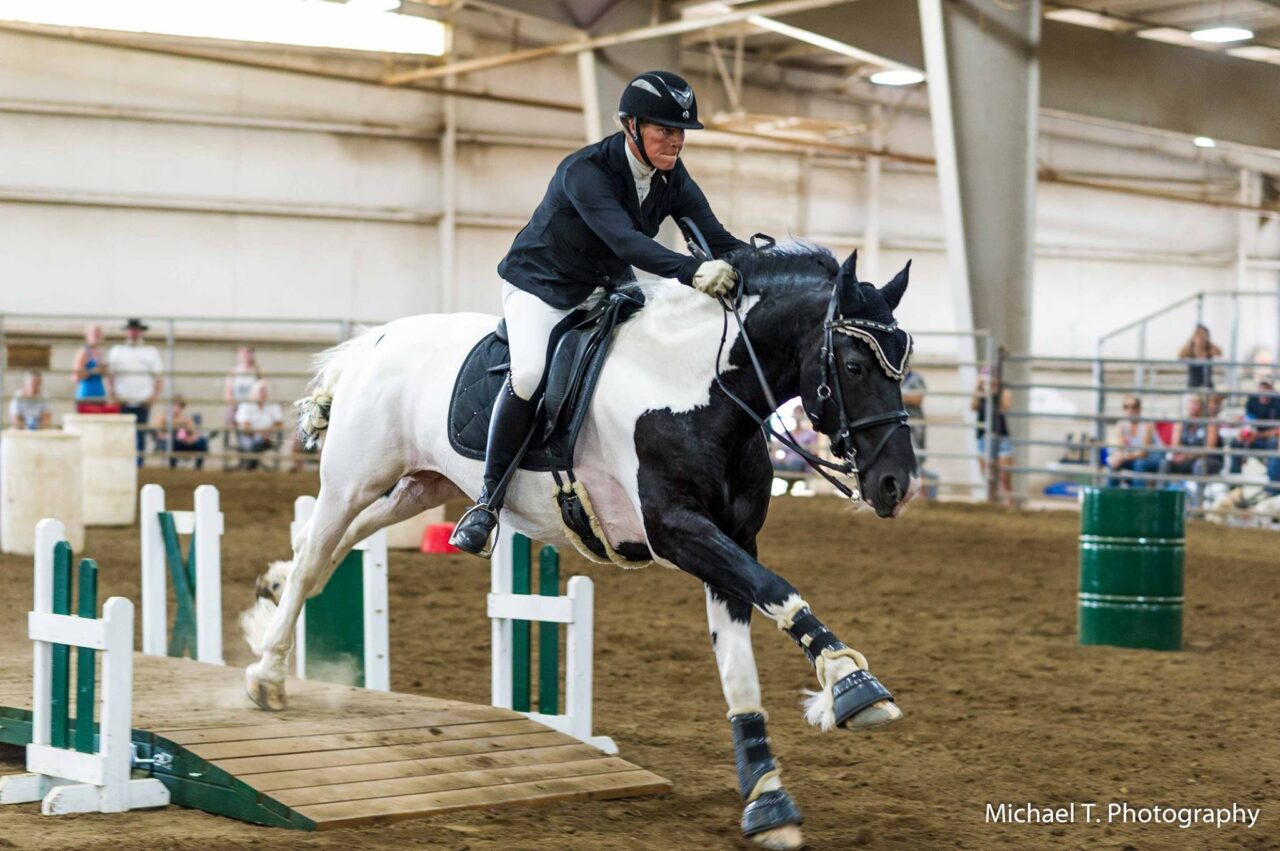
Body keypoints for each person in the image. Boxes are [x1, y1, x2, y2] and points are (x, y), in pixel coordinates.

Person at [450, 70, 749, 556]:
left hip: (606, 287)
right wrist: (692, 271)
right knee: (528, 374)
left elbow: (716, 239)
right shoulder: (585, 171)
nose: (675, 140)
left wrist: (769, 263)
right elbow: (626, 241)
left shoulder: (672, 176)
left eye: (680, 132)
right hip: (542, 287)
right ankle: (487, 502)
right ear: (630, 125)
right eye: (663, 129)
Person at [107, 318, 163, 466]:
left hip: (142, 400)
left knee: (140, 434)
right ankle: (121, 462)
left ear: (141, 332)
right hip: (122, 399)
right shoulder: (116, 351)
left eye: (136, 329)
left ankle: (139, 464)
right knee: (121, 434)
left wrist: (152, 398)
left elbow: (158, 377)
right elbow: (109, 375)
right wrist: (112, 394)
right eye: (131, 329)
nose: (133, 332)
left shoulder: (150, 352)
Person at [1159, 394, 1221, 505]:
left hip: (1209, 460)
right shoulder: (1181, 422)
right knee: (1165, 463)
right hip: (1187, 459)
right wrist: (1182, 454)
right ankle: (1160, 502)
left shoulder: (1210, 422)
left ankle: (1198, 506)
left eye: (1196, 403)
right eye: (1191, 403)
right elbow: (1175, 445)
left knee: (1200, 465)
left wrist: (1187, 454)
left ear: (1202, 405)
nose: (1193, 406)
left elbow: (1209, 449)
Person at [1229, 376, 1280, 493]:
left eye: (1266, 386)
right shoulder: (1252, 400)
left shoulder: (1278, 402)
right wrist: (1245, 433)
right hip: (1255, 437)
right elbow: (1248, 420)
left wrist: (1258, 435)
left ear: (1272, 388)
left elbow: (1278, 430)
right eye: (1261, 386)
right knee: (1236, 443)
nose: (1263, 389)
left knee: (1274, 445)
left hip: (1271, 439)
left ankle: (1272, 487)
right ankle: (1234, 486)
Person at [972, 372, 1013, 504]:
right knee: (988, 475)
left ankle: (1009, 504)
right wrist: (979, 387)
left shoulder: (1003, 389)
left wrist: (994, 391)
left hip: (1001, 435)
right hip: (983, 436)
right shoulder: (980, 390)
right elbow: (973, 406)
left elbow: (1004, 406)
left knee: (1004, 477)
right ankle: (992, 504)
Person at [1107, 395, 1160, 487]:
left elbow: (1143, 453)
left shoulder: (1147, 425)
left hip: (1152, 458)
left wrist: (1123, 457)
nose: (1130, 410)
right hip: (1132, 457)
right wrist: (1117, 458)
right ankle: (1111, 497)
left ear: (1139, 409)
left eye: (1134, 407)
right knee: (1114, 464)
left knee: (1139, 464)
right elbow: (1120, 448)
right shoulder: (1121, 425)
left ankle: (1137, 498)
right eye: (1126, 407)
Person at [234, 380, 284, 470]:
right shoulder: (245, 405)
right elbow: (245, 426)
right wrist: (262, 433)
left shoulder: (273, 405)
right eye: (260, 391)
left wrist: (267, 433)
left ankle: (248, 467)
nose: (262, 394)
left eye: (264, 391)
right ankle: (250, 467)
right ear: (253, 393)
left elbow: (279, 424)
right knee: (257, 441)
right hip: (247, 437)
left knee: (258, 441)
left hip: (268, 438)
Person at [154, 395, 209, 469]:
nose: (177, 409)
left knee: (202, 441)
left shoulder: (185, 419)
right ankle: (172, 468)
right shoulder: (163, 417)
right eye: (175, 406)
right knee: (174, 441)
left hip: (185, 442)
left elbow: (194, 433)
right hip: (171, 442)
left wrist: (190, 438)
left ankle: (198, 469)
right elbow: (158, 431)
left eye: (180, 407)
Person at [70, 323, 113, 413]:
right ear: (87, 335)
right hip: (86, 395)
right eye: (94, 333)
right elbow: (75, 377)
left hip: (100, 395)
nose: (96, 336)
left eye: (98, 334)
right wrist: (94, 371)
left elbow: (105, 376)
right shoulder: (83, 352)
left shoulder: (100, 353)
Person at [223, 346, 261, 424]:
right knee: (230, 415)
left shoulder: (257, 372)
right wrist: (235, 406)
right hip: (236, 406)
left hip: (253, 406)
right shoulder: (233, 372)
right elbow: (228, 392)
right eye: (243, 353)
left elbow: (262, 390)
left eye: (248, 352)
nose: (245, 355)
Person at [1179, 324, 1221, 389]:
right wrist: (1193, 342)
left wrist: (1207, 342)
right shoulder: (1189, 350)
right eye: (1198, 335)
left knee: (1220, 393)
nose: (1200, 338)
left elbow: (1219, 353)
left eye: (1203, 335)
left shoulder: (1210, 349)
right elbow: (1181, 355)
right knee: (1195, 397)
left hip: (1208, 386)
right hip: (1193, 386)